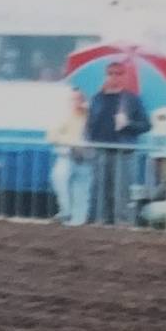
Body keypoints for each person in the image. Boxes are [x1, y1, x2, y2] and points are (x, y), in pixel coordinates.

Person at [85, 60, 150, 225]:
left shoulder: (131, 99)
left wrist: (128, 124)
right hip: (100, 149)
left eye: (118, 73)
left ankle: (122, 222)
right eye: (111, 73)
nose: (114, 77)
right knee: (99, 189)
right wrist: (88, 141)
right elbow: (90, 123)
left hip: (123, 151)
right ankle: (100, 220)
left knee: (121, 190)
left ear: (124, 76)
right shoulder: (97, 98)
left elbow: (146, 125)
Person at [50, 86, 94, 226]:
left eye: (80, 99)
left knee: (81, 188)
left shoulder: (90, 117)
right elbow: (52, 135)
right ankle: (66, 211)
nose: (77, 102)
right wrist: (71, 142)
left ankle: (78, 219)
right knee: (60, 182)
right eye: (74, 99)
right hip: (67, 155)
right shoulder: (64, 116)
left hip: (85, 157)